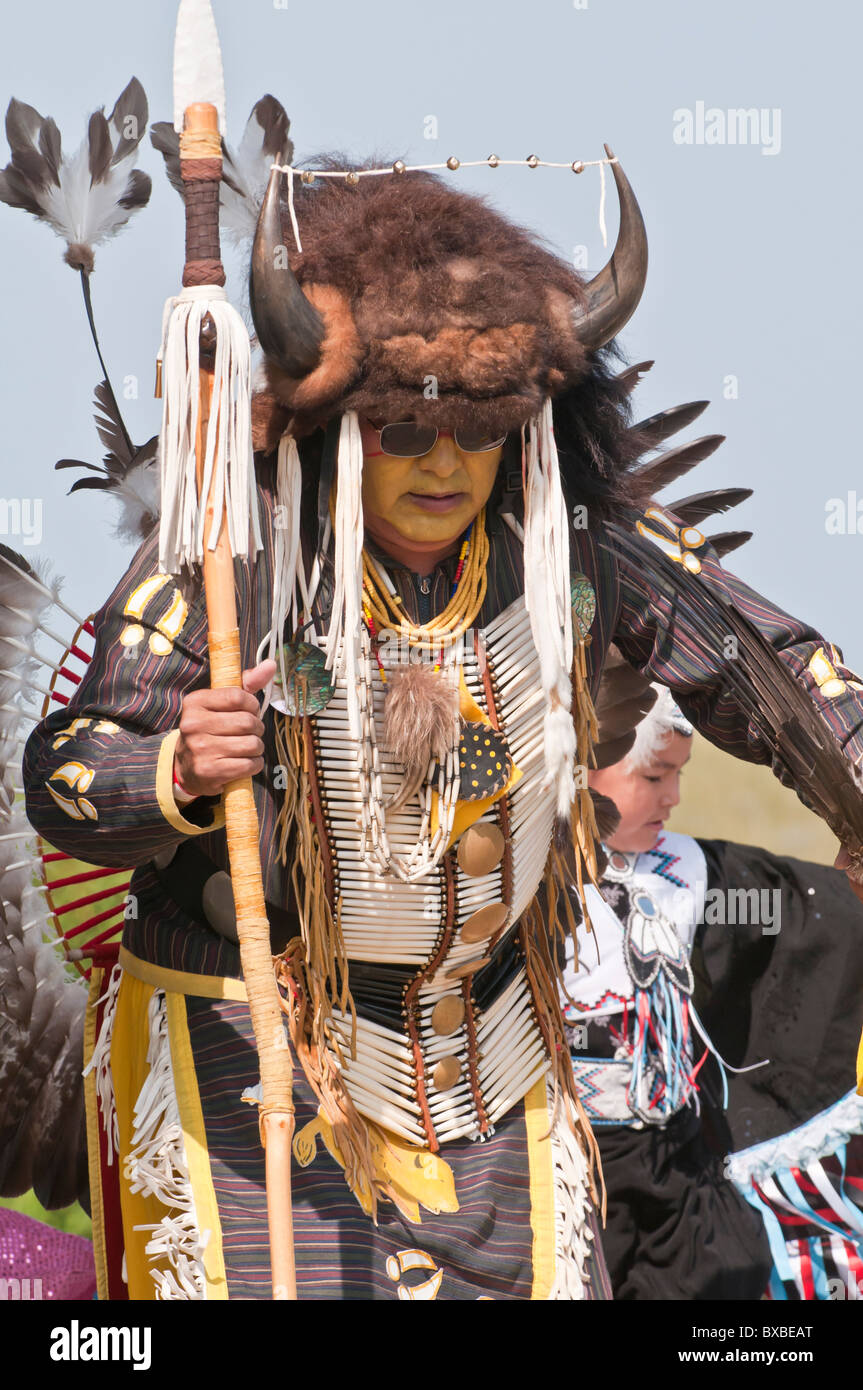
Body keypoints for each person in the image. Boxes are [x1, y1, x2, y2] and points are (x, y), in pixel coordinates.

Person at [19, 122, 863, 1300]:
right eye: (404, 428)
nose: (442, 462)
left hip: (490, 1062)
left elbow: (774, 670)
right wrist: (171, 766)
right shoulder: (234, 554)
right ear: (335, 423)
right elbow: (65, 769)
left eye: (479, 429)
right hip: (252, 1061)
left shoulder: (570, 547)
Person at [562, 668, 863, 1299]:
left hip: (677, 1166)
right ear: (582, 769)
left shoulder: (686, 875)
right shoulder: (520, 891)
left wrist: (849, 892)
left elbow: (789, 910)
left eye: (679, 773)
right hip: (567, 1170)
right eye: (654, 777)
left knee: (722, 1285)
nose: (672, 796)